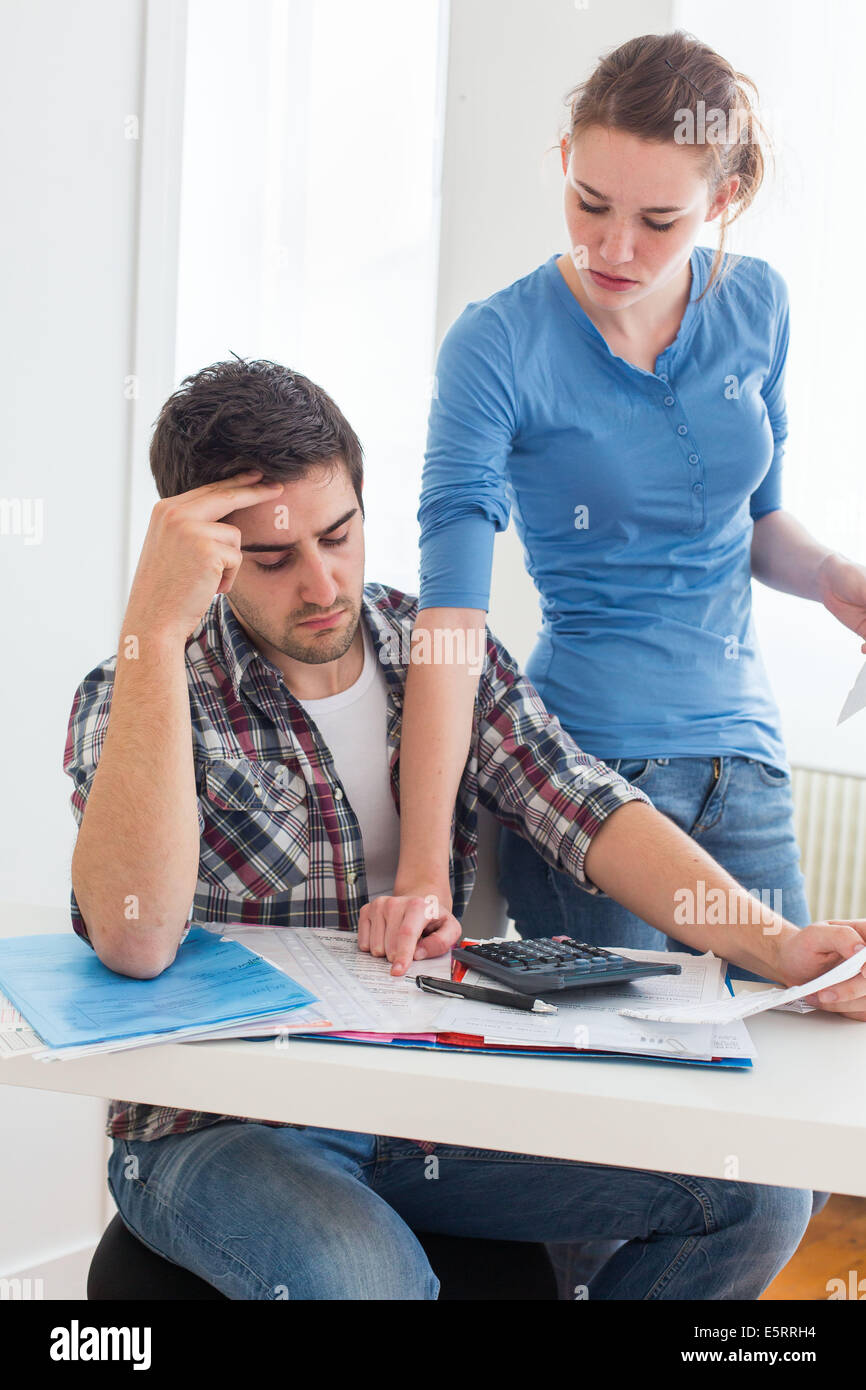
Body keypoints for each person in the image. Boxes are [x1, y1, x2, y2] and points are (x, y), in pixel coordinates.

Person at [64, 358, 864, 1300]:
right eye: (274, 560)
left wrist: (781, 945)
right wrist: (155, 631)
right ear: (203, 552)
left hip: (420, 1112)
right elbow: (133, 936)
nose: (322, 583)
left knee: (760, 1194)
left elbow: (585, 805)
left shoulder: (436, 651)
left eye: (339, 534)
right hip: (218, 1129)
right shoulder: (138, 690)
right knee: (373, 1283)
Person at [387, 30, 866, 971]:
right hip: (593, 779)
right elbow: (452, 619)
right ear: (563, 162)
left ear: (722, 201)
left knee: (786, 1049)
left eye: (659, 220)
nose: (614, 246)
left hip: (748, 764)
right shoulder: (496, 345)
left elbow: (758, 523)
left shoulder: (756, 303)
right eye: (589, 202)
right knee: (636, 1086)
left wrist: (833, 577)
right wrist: (422, 870)